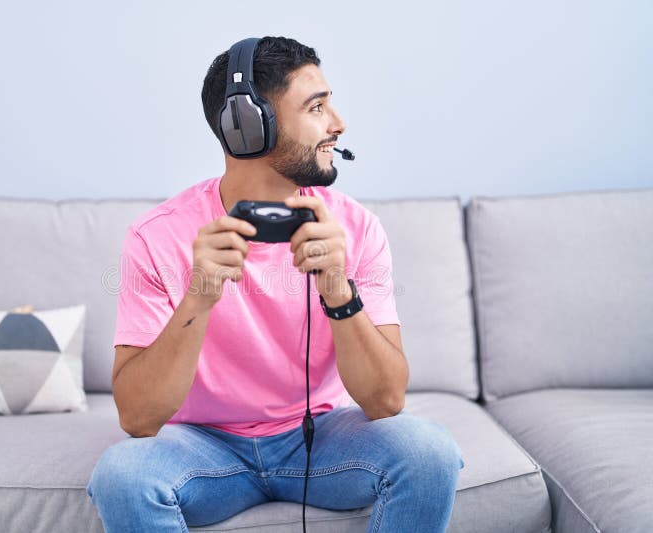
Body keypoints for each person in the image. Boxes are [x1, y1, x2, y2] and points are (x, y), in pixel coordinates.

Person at [86, 36, 464, 532]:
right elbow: (138, 419)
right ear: (248, 127)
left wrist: (338, 290)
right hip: (203, 445)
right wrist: (199, 295)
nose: (338, 123)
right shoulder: (156, 237)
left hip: (320, 436)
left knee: (430, 453)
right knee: (122, 476)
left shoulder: (357, 229)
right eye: (317, 107)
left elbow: (386, 401)